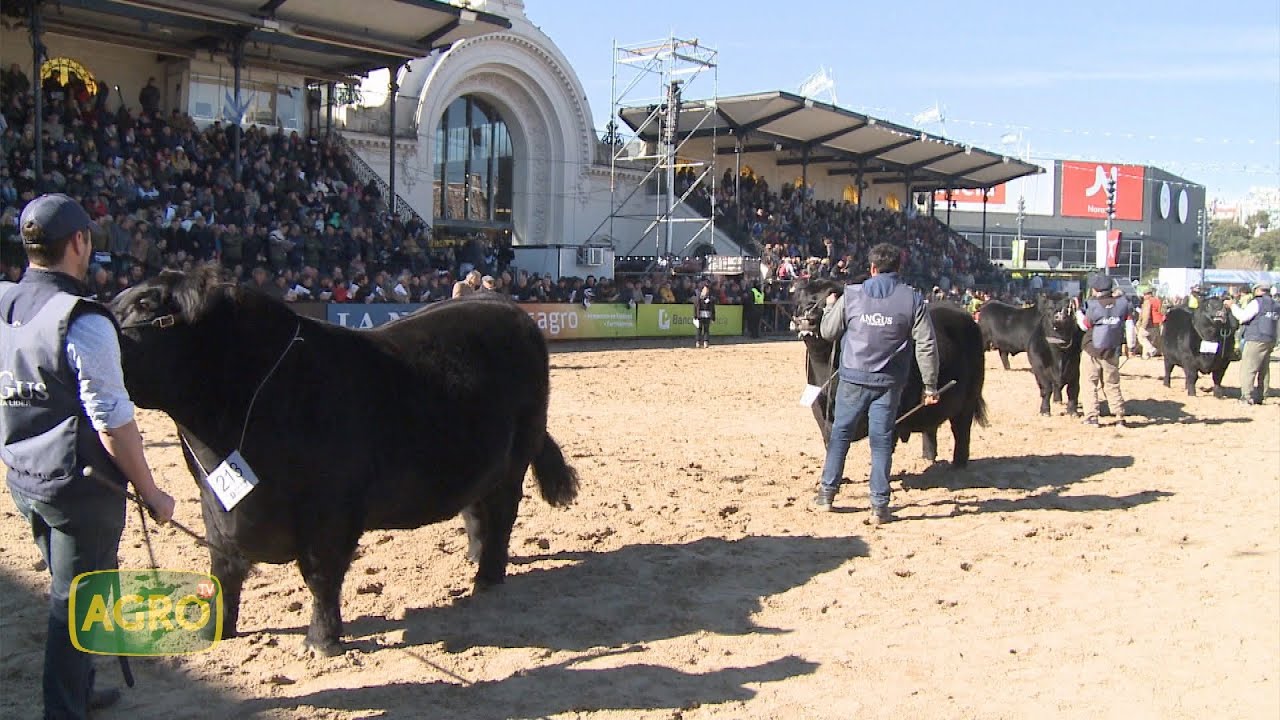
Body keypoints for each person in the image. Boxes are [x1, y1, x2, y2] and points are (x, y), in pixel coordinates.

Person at [0, 194, 176, 719]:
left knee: (77, 588)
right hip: (82, 486)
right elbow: (114, 423)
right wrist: (152, 492)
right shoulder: (83, 320)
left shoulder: (6, 299)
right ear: (79, 242)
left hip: (25, 472)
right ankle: (64, 710)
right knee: (74, 605)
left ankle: (80, 687)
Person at [812, 243, 940, 526]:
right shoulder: (913, 299)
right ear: (898, 268)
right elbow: (926, 345)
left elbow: (828, 332)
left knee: (840, 435)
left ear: (871, 268)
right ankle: (879, 505)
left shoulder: (853, 294)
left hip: (853, 377)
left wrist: (831, 308)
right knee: (881, 442)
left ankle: (827, 494)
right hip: (889, 382)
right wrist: (929, 386)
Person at [1078, 274, 1130, 427]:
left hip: (1092, 348)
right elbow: (1129, 324)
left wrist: (1077, 314)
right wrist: (1131, 345)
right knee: (1112, 382)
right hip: (1112, 348)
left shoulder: (1093, 304)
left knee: (1089, 382)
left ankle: (1092, 416)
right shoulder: (1122, 303)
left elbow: (1085, 325)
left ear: (1094, 289)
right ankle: (1119, 415)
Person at [1227, 282, 1278, 406]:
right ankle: (1262, 395)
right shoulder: (1275, 304)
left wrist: (1232, 306)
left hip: (1256, 338)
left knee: (1248, 368)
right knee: (1264, 369)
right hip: (1270, 339)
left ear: (1258, 290)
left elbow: (1243, 316)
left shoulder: (1257, 302)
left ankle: (1246, 396)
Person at [1136, 288, 1164, 359]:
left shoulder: (1147, 302)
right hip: (1157, 322)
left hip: (1149, 323)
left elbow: (1146, 314)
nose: (1144, 297)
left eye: (1144, 295)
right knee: (1149, 339)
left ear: (1147, 295)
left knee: (1141, 337)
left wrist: (1143, 325)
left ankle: (1152, 350)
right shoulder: (1158, 300)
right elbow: (1162, 311)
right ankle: (1145, 355)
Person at [692, 283, 716, 348]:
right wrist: (695, 317)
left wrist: (713, 318)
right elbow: (695, 308)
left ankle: (706, 342)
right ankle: (698, 342)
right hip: (700, 316)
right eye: (704, 290)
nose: (706, 291)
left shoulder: (711, 299)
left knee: (706, 330)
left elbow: (712, 309)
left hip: (707, 316)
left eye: (707, 290)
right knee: (699, 329)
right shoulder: (698, 298)